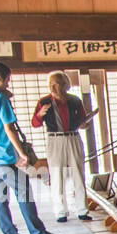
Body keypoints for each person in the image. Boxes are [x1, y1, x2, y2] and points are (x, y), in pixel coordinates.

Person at [0, 62, 59, 234]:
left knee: (0, 194)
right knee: (23, 189)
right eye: (7, 80)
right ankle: (38, 232)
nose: (8, 85)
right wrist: (22, 154)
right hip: (3, 153)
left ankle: (9, 233)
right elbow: (9, 129)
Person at [31, 71, 93, 223]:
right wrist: (40, 114)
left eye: (56, 83)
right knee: (56, 175)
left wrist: (85, 124)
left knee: (78, 173)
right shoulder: (44, 101)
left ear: (65, 85)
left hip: (73, 137)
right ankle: (60, 211)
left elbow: (82, 122)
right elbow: (35, 124)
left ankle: (82, 210)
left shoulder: (75, 100)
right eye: (50, 84)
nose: (53, 87)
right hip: (55, 139)